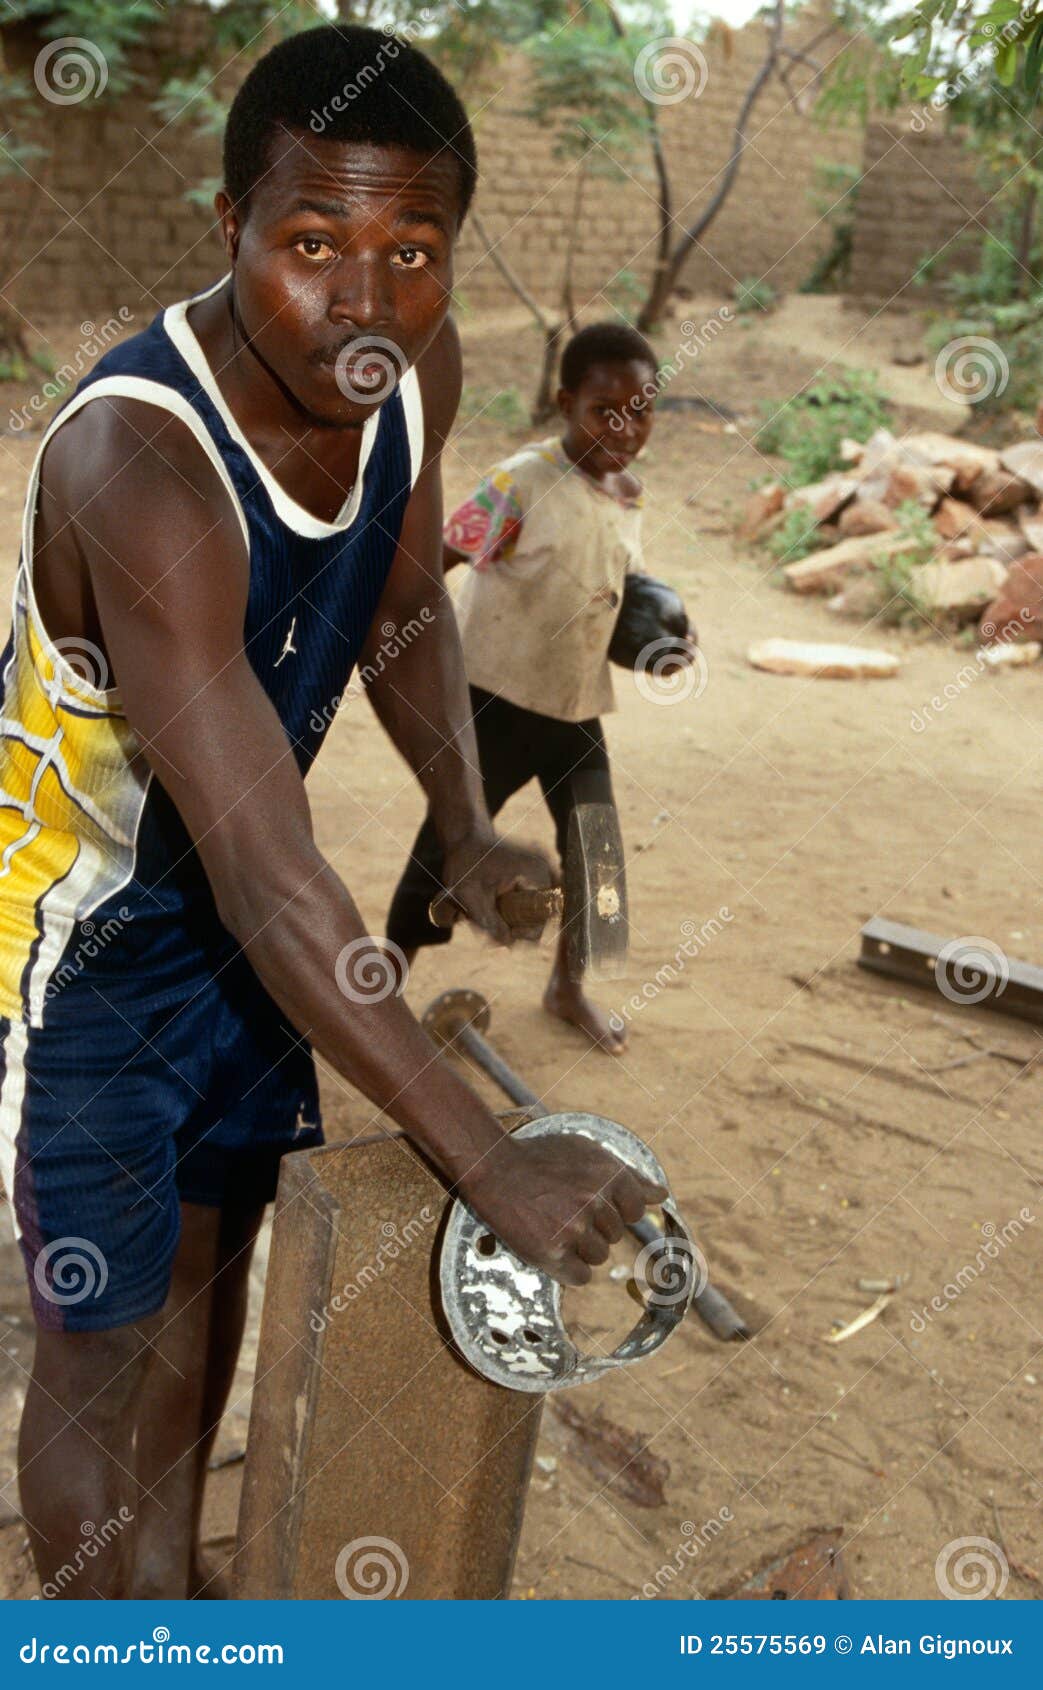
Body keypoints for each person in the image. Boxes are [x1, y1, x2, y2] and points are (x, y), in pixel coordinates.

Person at [0, 26, 663, 1600]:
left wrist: (459, 815)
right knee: (103, 1344)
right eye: (310, 244)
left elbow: (399, 607)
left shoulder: (404, 375)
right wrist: (486, 1157)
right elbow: (263, 864)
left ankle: (172, 1592)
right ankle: (114, 1631)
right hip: (74, 941)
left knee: (211, 1277)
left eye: (409, 250)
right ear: (225, 223)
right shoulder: (137, 459)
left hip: (247, 921)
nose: (361, 300)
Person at [387, 322, 694, 1052]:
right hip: (491, 702)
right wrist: (418, 668)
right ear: (565, 402)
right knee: (447, 847)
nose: (624, 428)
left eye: (642, 409)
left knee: (600, 855)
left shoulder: (629, 495)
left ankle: (567, 986)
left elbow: (621, 588)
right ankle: (384, 979)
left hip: (574, 708)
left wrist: (667, 638)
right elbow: (433, 563)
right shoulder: (520, 482)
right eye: (603, 410)